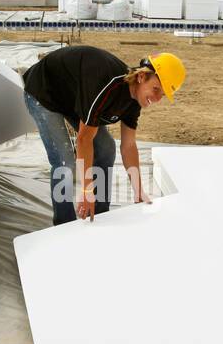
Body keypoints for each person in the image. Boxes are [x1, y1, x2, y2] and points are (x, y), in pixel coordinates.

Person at [22, 46, 186, 224]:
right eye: (155, 89)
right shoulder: (107, 87)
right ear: (141, 76)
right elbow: (84, 140)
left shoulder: (134, 101)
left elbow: (128, 146)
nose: (156, 99)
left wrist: (138, 191)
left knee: (106, 149)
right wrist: (86, 191)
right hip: (44, 92)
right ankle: (63, 224)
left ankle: (100, 215)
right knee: (65, 161)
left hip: (72, 97)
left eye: (162, 94)